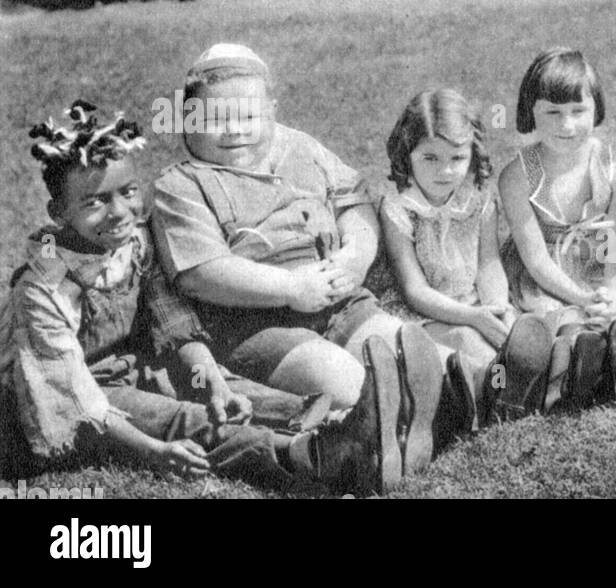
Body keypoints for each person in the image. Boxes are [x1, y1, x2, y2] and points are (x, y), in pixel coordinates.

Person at [1, 102, 411, 495]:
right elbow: (73, 394)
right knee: (180, 419)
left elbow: (171, 318)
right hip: (72, 397)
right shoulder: (44, 287)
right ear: (58, 213)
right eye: (94, 202)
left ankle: (341, 423)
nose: (119, 211)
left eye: (128, 192)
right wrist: (153, 452)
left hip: (137, 365)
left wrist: (211, 382)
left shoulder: (135, 242)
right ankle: (307, 456)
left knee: (219, 387)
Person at [150, 43, 454, 474]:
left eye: (250, 117)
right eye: (216, 119)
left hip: (337, 300)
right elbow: (202, 274)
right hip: (254, 324)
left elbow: (354, 201)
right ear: (186, 119)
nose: (234, 131)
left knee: (400, 342)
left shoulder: (300, 148)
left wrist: (355, 255)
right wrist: (291, 288)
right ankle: (405, 417)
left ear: (272, 110)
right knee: (342, 377)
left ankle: (462, 391)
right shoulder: (180, 185)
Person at [496, 47, 616, 415]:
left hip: (610, 268)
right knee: (560, 317)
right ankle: (573, 366)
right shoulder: (516, 176)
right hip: (550, 276)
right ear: (530, 111)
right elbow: (534, 258)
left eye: (579, 111)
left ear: (596, 109)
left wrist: (608, 295)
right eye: (553, 112)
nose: (567, 125)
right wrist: (580, 299)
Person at [380, 88, 513, 433]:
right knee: (470, 343)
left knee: (509, 332)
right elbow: (414, 290)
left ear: (473, 154)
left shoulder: (479, 201)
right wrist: (474, 318)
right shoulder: (400, 209)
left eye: (457, 158)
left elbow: (488, 263)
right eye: (430, 159)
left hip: (472, 303)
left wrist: (496, 308)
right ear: (407, 155)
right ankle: (487, 398)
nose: (445, 171)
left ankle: (519, 383)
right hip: (425, 313)